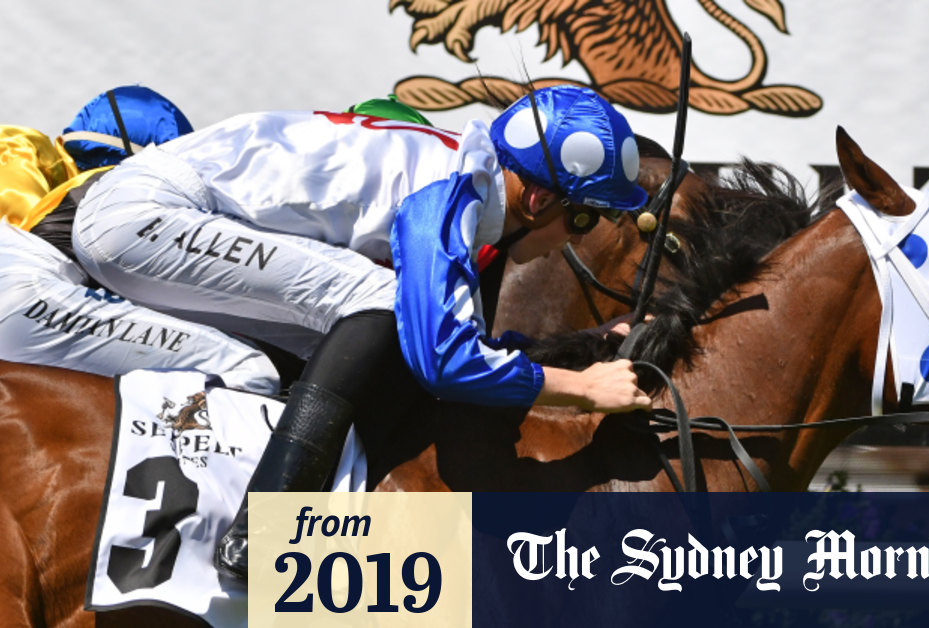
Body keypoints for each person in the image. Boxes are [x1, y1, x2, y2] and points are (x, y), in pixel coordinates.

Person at [67, 84, 653, 579]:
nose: (581, 238)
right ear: (539, 196)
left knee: (374, 346)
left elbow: (457, 346)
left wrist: (589, 347)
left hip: (152, 219)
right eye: (584, 218)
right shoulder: (451, 188)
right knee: (384, 301)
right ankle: (265, 534)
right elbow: (445, 362)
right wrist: (583, 390)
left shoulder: (460, 183)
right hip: (144, 214)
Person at [0, 86, 280, 394]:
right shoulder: (21, 151)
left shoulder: (59, 184)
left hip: (26, 299)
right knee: (247, 368)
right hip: (21, 294)